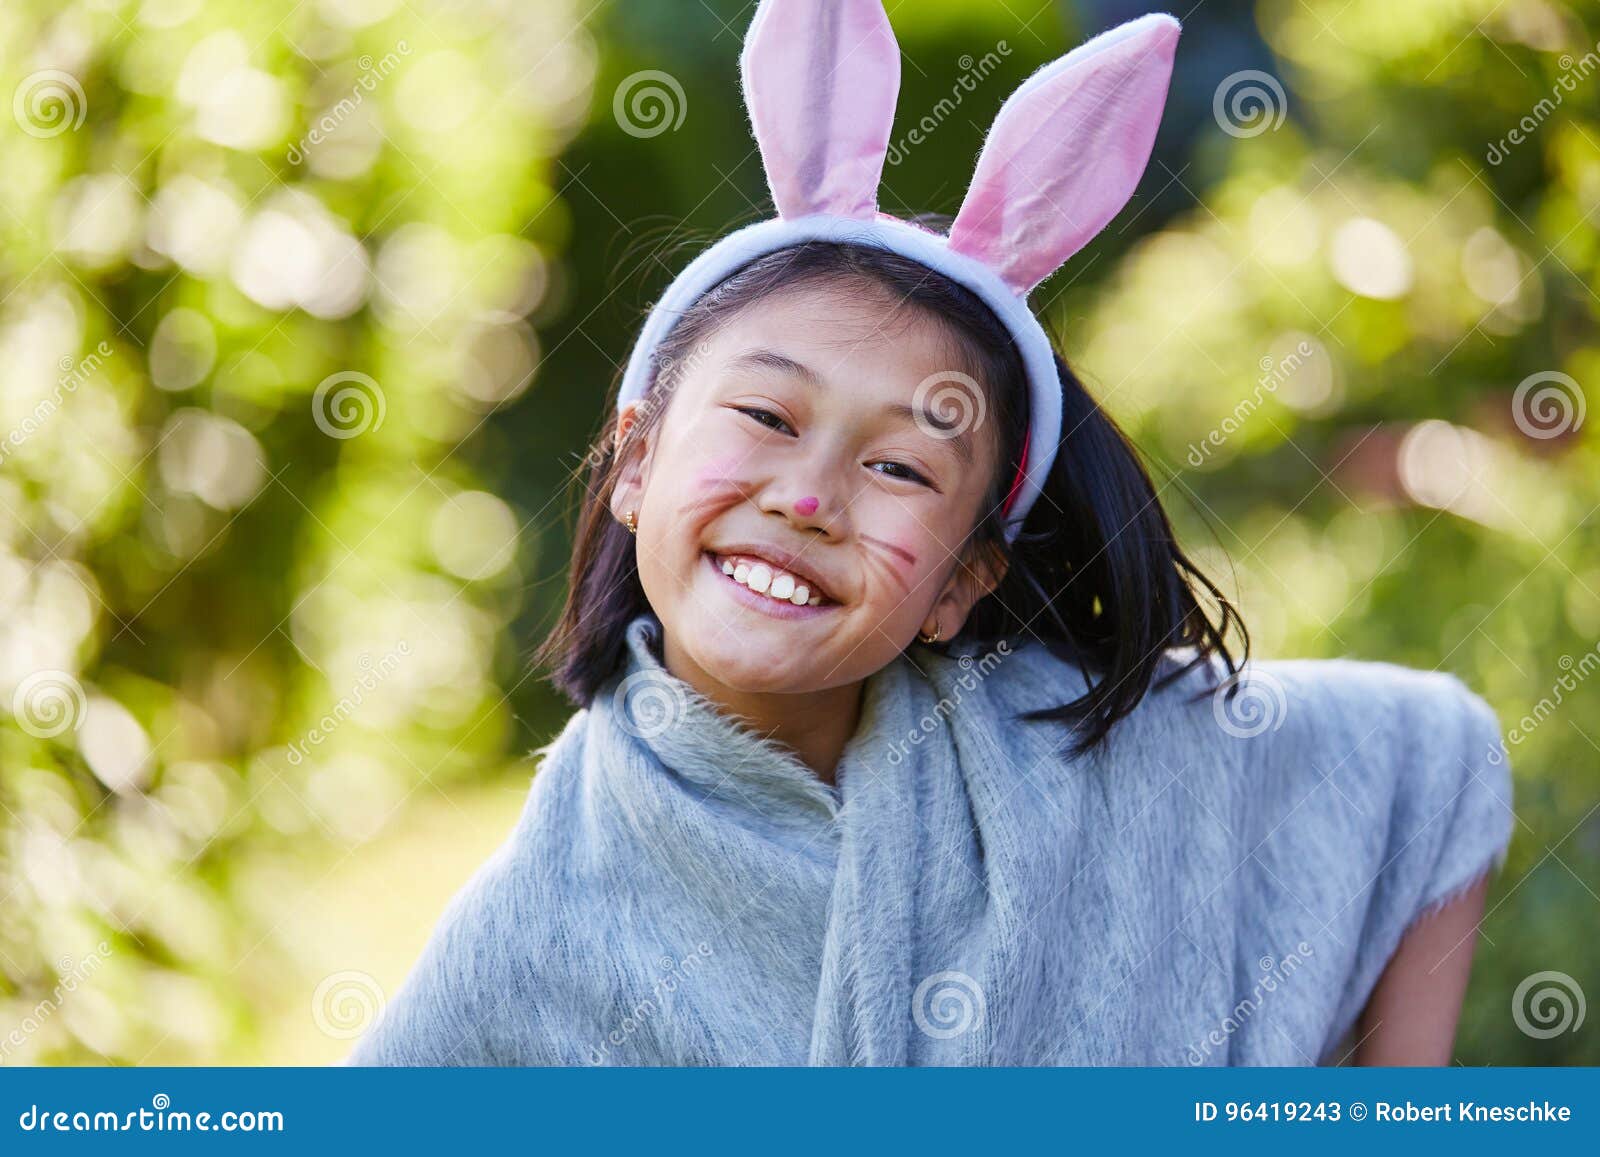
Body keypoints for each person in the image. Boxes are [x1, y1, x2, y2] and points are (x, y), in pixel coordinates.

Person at [344, 1, 1512, 1067]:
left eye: (899, 465)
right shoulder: (534, 929)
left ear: (960, 580)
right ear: (639, 457)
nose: (807, 497)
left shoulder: (1101, 769)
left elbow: (1426, 758)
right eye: (764, 415)